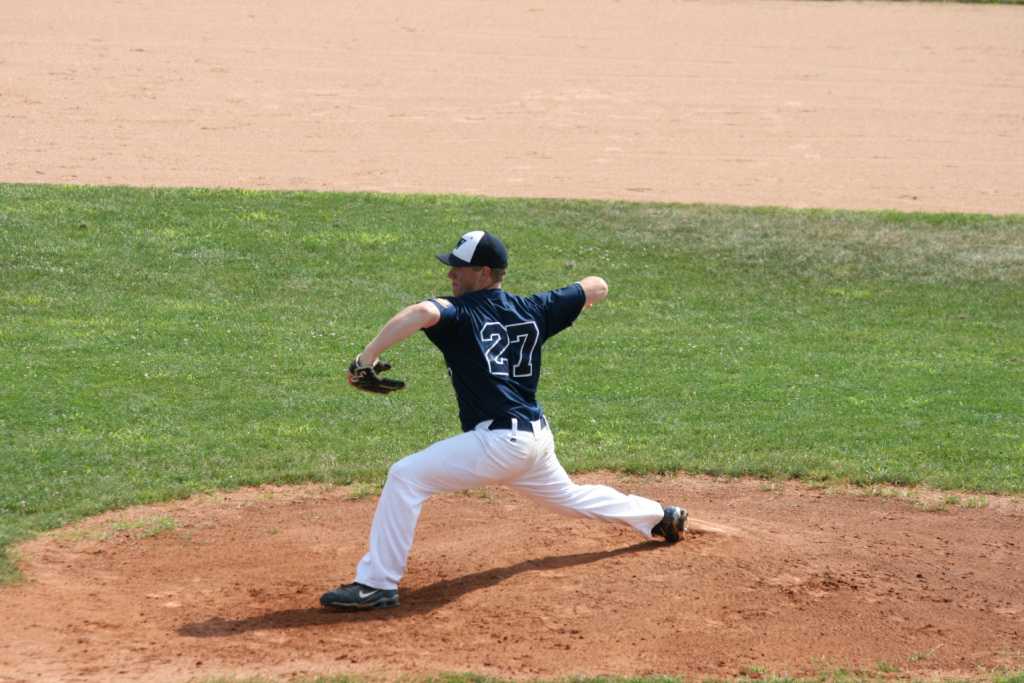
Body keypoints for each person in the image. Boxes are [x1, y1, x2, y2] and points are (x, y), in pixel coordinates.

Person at [320, 230, 687, 610]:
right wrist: (578, 298)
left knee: (405, 476)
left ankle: (376, 584)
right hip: (534, 440)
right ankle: (660, 516)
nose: (450, 274)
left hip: (499, 444)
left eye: (459, 268)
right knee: (570, 497)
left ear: (483, 273)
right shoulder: (534, 308)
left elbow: (422, 313)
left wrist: (364, 360)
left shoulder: (460, 313)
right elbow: (598, 286)